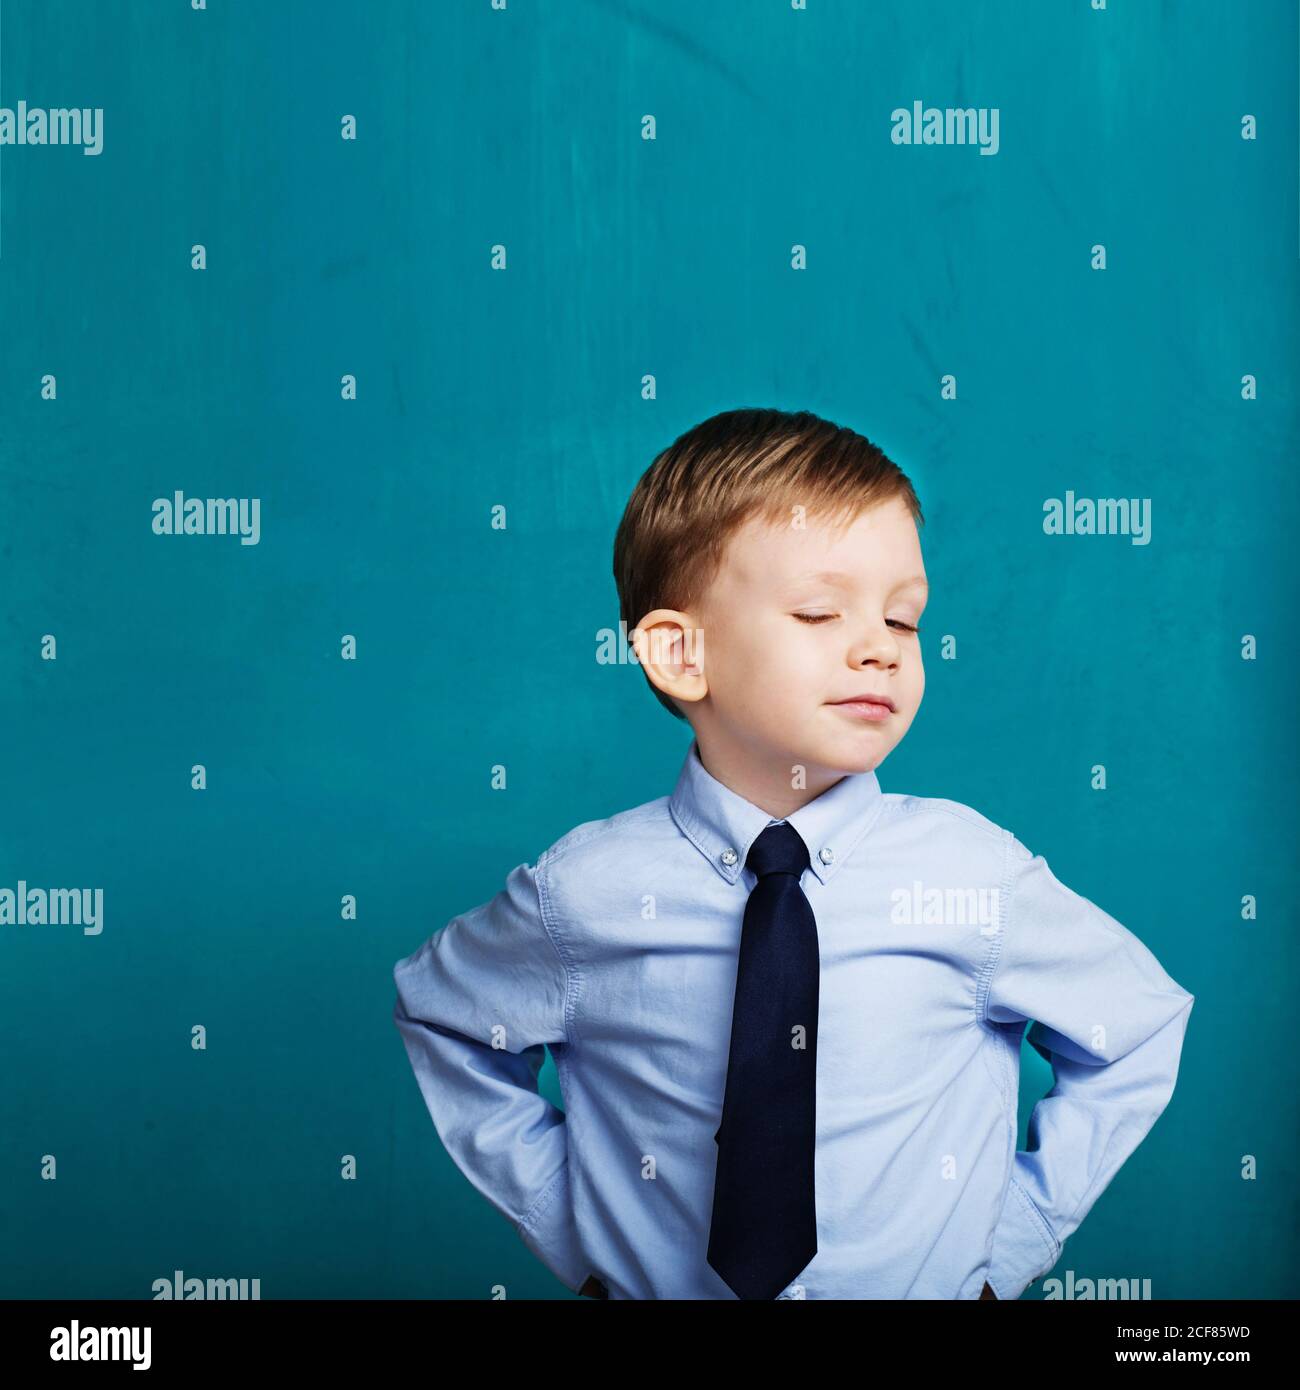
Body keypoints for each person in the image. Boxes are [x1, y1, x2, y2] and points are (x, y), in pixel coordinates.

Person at [392, 407, 1194, 1300]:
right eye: (819, 610)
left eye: (904, 620)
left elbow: (1137, 1026)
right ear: (679, 653)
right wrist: (578, 1227)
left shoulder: (973, 875)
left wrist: (1006, 1248)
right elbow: (447, 1017)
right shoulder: (583, 892)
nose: (878, 649)